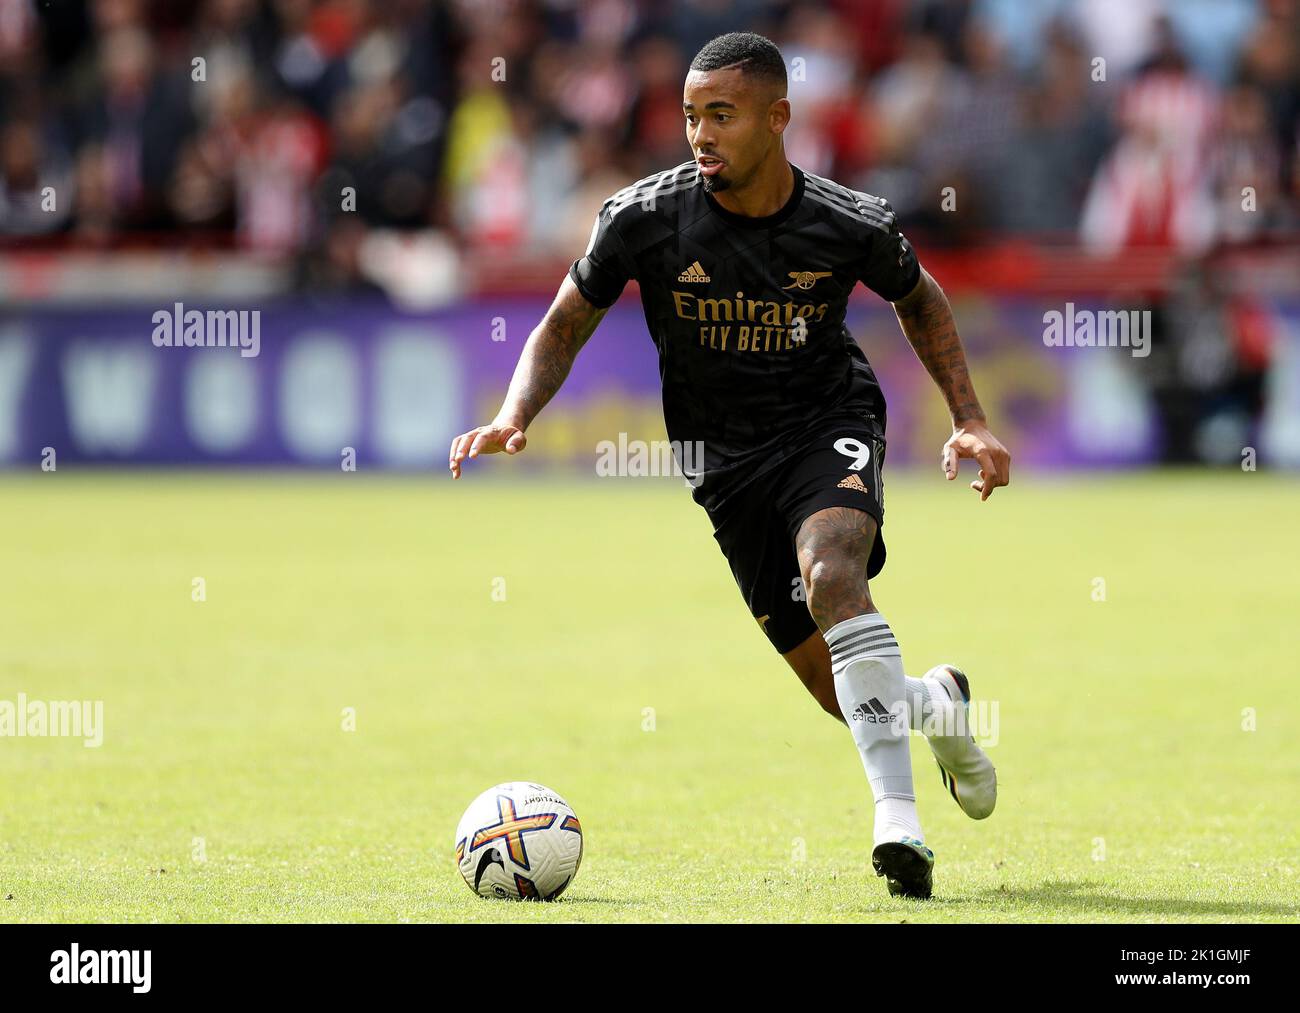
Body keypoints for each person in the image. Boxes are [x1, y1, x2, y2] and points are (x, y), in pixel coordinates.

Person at [449, 32, 1010, 899]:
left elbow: (919, 297)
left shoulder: (846, 220)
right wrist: (513, 414)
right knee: (840, 694)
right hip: (723, 467)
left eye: (721, 115)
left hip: (828, 421)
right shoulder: (642, 218)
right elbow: (565, 320)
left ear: (778, 118)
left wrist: (969, 418)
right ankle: (933, 703)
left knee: (832, 573)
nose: (700, 135)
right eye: (689, 117)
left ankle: (898, 823)